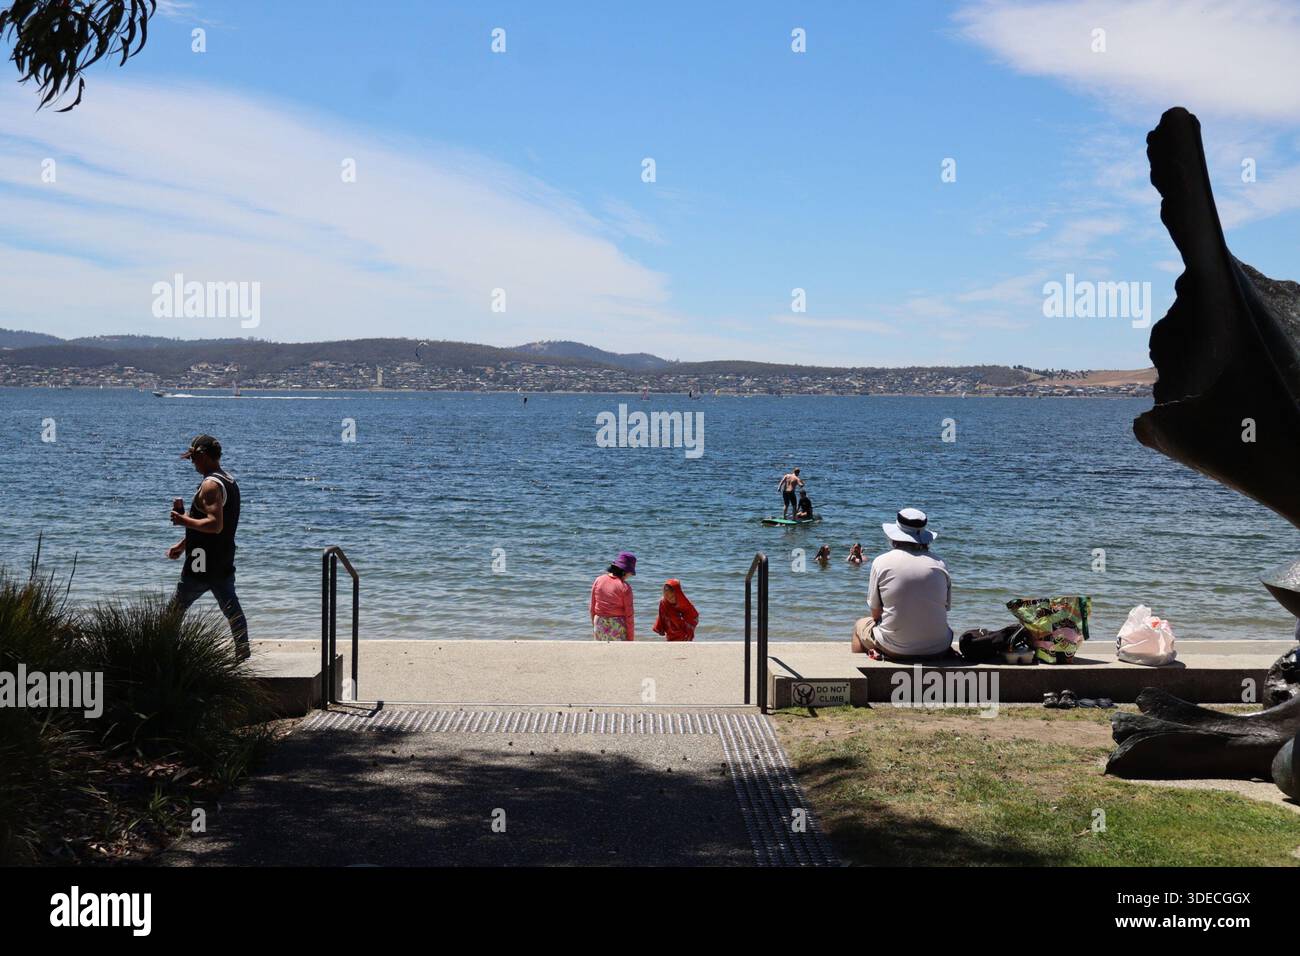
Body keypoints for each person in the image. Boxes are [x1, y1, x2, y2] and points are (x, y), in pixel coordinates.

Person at [166, 434, 250, 662]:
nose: (192, 463)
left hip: (202, 560)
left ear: (203, 456)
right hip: (221, 557)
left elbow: (214, 524)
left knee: (176, 607)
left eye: (193, 458)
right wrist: (183, 545)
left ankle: (162, 647)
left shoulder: (211, 485)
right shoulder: (229, 480)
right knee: (231, 607)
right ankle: (242, 652)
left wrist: (183, 521)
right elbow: (212, 525)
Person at [851, 508, 953, 661]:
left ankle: (862, 674)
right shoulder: (940, 564)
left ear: (895, 536)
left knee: (860, 626)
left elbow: (875, 614)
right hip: (939, 646)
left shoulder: (882, 562)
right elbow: (945, 608)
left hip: (895, 648)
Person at [590, 552, 637, 641]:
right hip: (617, 626)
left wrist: (595, 625)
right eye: (630, 573)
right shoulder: (625, 587)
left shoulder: (598, 580)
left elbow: (592, 608)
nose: (630, 576)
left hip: (599, 623)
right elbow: (629, 616)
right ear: (625, 572)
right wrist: (631, 639)